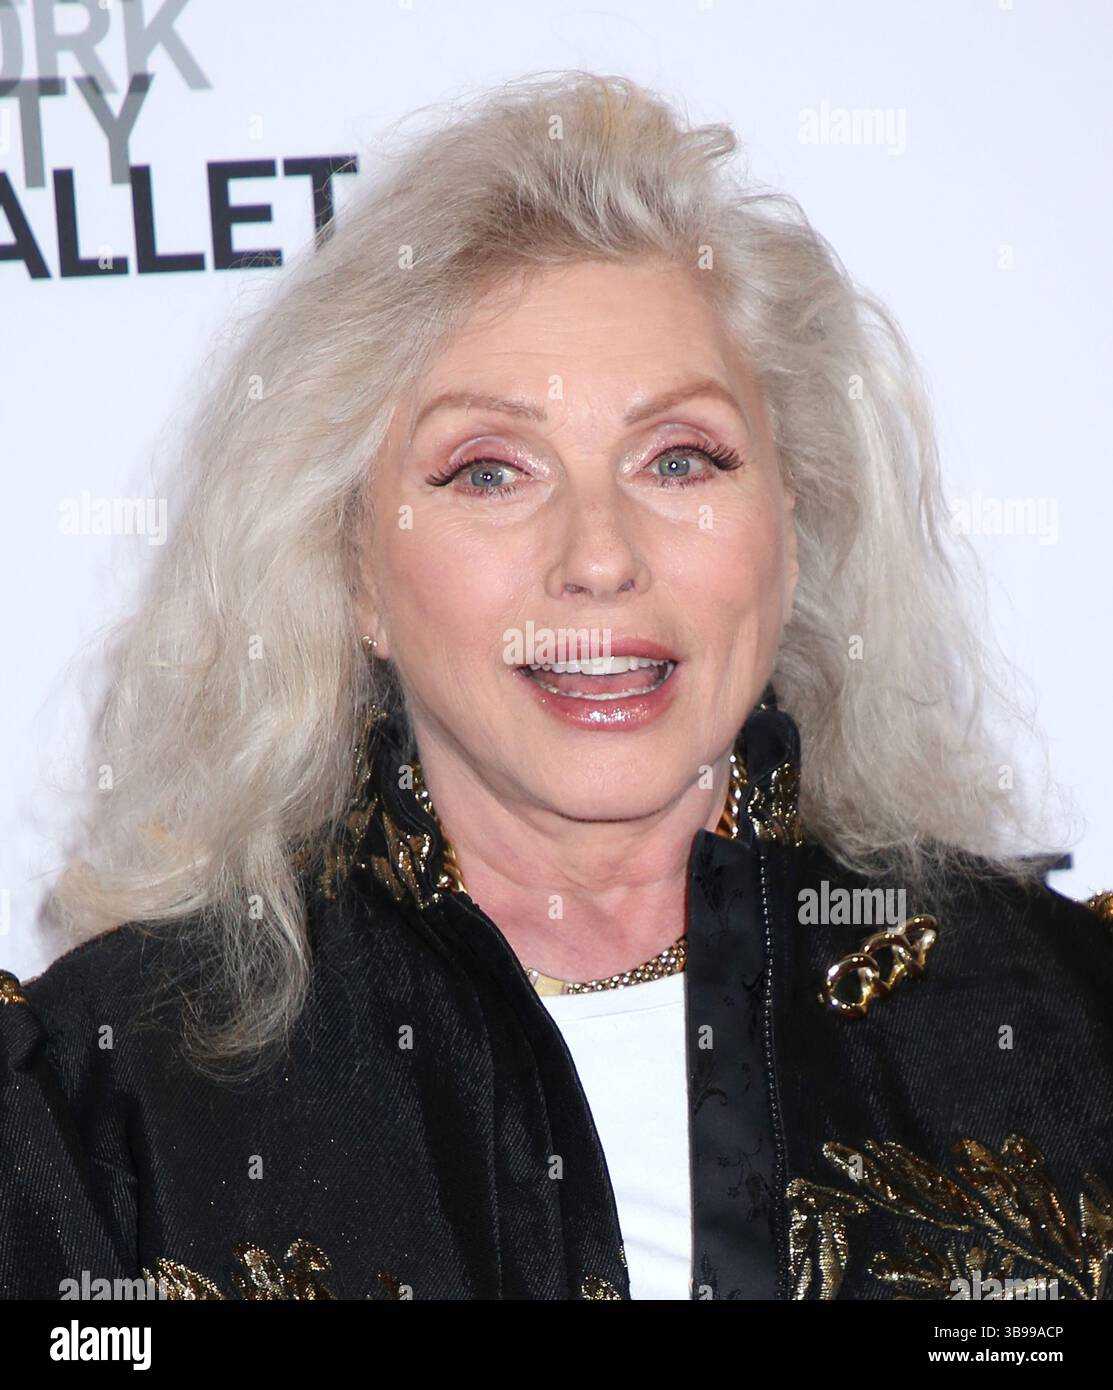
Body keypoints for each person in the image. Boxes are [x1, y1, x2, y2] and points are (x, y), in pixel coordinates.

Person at [2, 71, 1110, 1303]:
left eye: (680, 457)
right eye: (490, 471)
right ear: (356, 568)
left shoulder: (1074, 1024)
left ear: (792, 532)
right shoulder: (92, 1115)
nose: (599, 556)